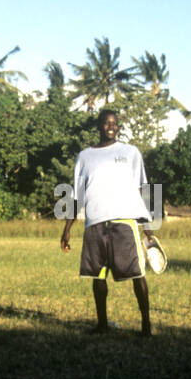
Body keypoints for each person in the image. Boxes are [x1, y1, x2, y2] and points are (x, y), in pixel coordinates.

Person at [60, 110, 156, 337]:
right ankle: (102, 324)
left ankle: (146, 326)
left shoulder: (130, 152)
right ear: (99, 126)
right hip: (94, 222)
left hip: (123, 221)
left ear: (119, 127)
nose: (110, 127)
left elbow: (144, 188)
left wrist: (148, 224)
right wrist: (66, 230)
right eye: (106, 123)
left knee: (137, 274)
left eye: (114, 123)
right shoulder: (84, 156)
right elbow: (77, 195)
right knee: (98, 276)